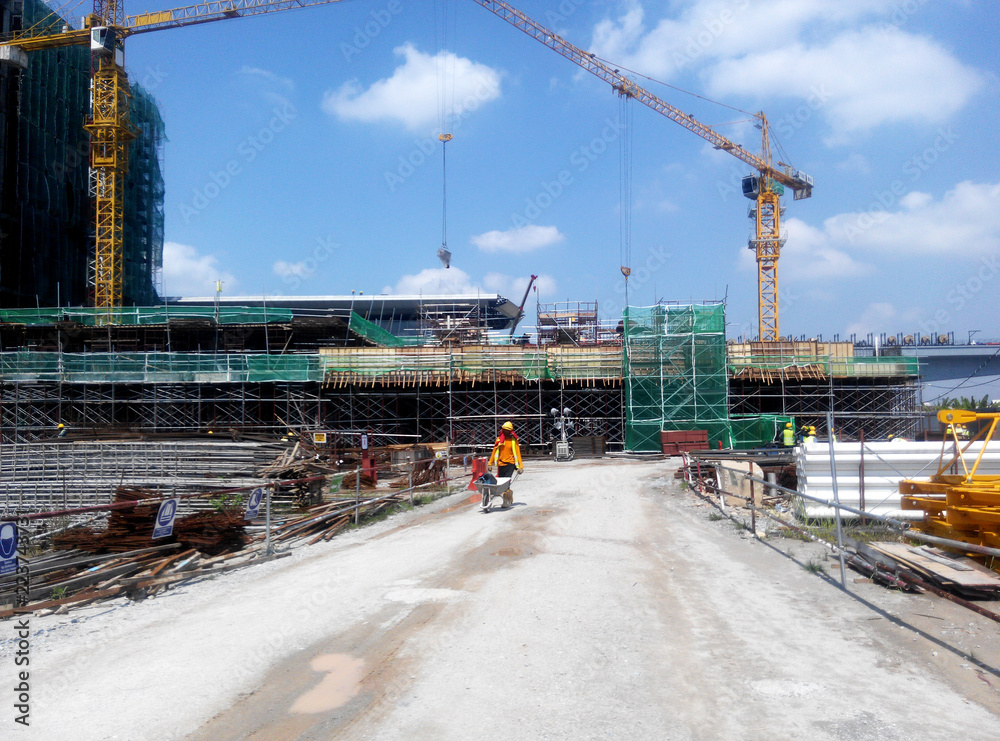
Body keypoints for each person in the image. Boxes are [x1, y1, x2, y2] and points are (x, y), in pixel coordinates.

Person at [489, 421, 523, 508]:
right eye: (505, 430)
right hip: (501, 464)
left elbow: (518, 454)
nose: (506, 431)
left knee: (506, 483)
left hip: (510, 464)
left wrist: (520, 467)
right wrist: (490, 463)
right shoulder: (499, 440)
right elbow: (494, 452)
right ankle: (509, 494)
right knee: (500, 484)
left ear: (511, 431)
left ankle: (505, 501)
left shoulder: (513, 441)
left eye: (508, 430)